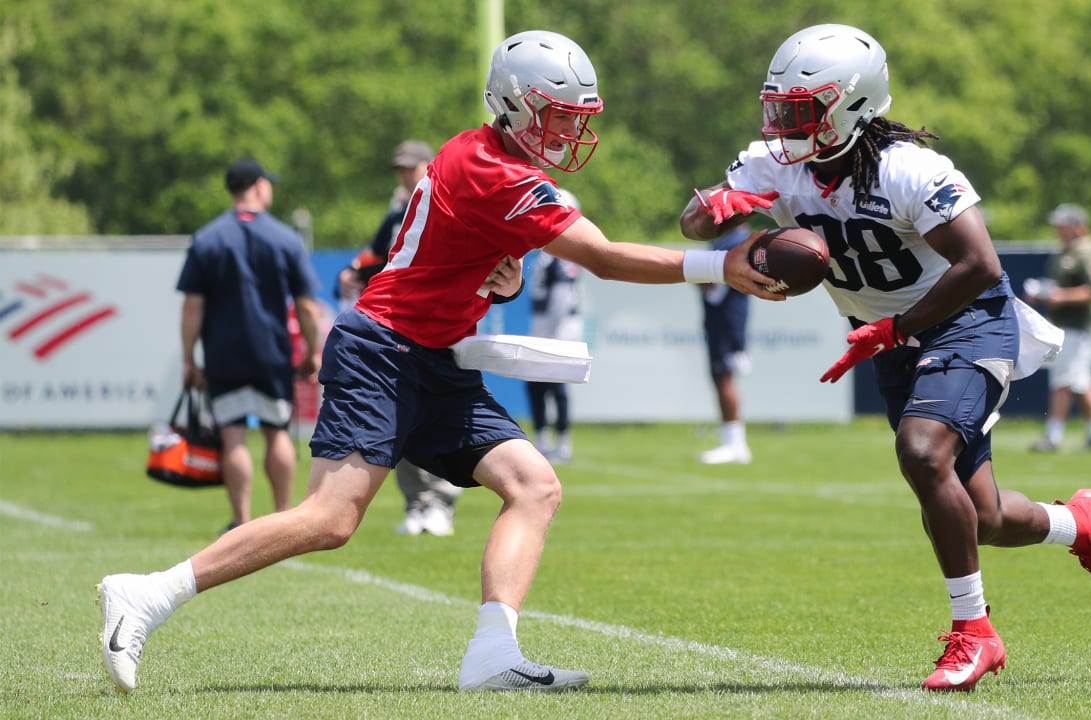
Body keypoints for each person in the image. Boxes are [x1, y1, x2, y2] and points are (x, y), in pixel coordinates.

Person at [98, 29, 783, 695]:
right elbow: (602, 258)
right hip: (384, 351)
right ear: (515, 105)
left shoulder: (478, 154)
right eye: (558, 115)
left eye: (576, 118)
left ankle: (494, 654)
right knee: (331, 519)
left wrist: (500, 278)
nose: (570, 132)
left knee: (533, 486)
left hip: (434, 358)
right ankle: (148, 594)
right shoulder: (493, 170)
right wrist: (720, 265)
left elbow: (464, 258)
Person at [680, 24, 1091, 692]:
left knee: (922, 453)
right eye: (779, 109)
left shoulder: (909, 170)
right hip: (888, 335)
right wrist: (717, 207)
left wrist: (897, 328)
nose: (783, 127)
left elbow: (979, 265)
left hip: (966, 320)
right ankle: (1079, 524)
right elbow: (693, 224)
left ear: (850, 106)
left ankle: (975, 633)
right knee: (983, 517)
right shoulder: (774, 164)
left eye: (801, 112)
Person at [177, 156, 323, 534]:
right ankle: (283, 518)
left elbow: (192, 305)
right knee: (277, 431)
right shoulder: (285, 238)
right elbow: (307, 305)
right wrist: (313, 351)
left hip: (223, 351)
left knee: (233, 434)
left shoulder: (208, 238)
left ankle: (241, 522)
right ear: (259, 186)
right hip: (271, 351)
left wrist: (188, 358)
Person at [339, 139, 463, 537]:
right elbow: (375, 257)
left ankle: (442, 502)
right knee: (401, 421)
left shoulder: (450, 207)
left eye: (412, 167)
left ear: (429, 165)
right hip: (398, 331)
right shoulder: (397, 214)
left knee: (441, 417)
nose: (406, 175)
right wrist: (352, 271)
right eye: (401, 169)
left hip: (439, 328)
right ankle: (417, 503)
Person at [1027, 203, 1091, 452]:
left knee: (1063, 381)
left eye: (1063, 225)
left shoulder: (1084, 252)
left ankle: (1053, 436)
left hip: (1075, 325)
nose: (1058, 229)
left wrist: (1060, 296)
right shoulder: (1066, 251)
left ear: (1077, 226)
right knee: (1081, 382)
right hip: (1064, 324)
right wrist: (1044, 293)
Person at [524, 188, 585, 465]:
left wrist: (548, 335)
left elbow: (561, 297)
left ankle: (560, 442)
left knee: (555, 386)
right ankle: (546, 440)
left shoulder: (562, 254)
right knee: (537, 386)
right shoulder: (552, 253)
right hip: (548, 325)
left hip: (556, 328)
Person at [696, 224, 753, 464]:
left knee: (724, 377)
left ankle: (735, 444)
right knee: (720, 378)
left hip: (727, 321)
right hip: (722, 320)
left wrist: (695, 274)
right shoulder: (727, 240)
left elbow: (712, 286)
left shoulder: (735, 242)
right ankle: (732, 441)